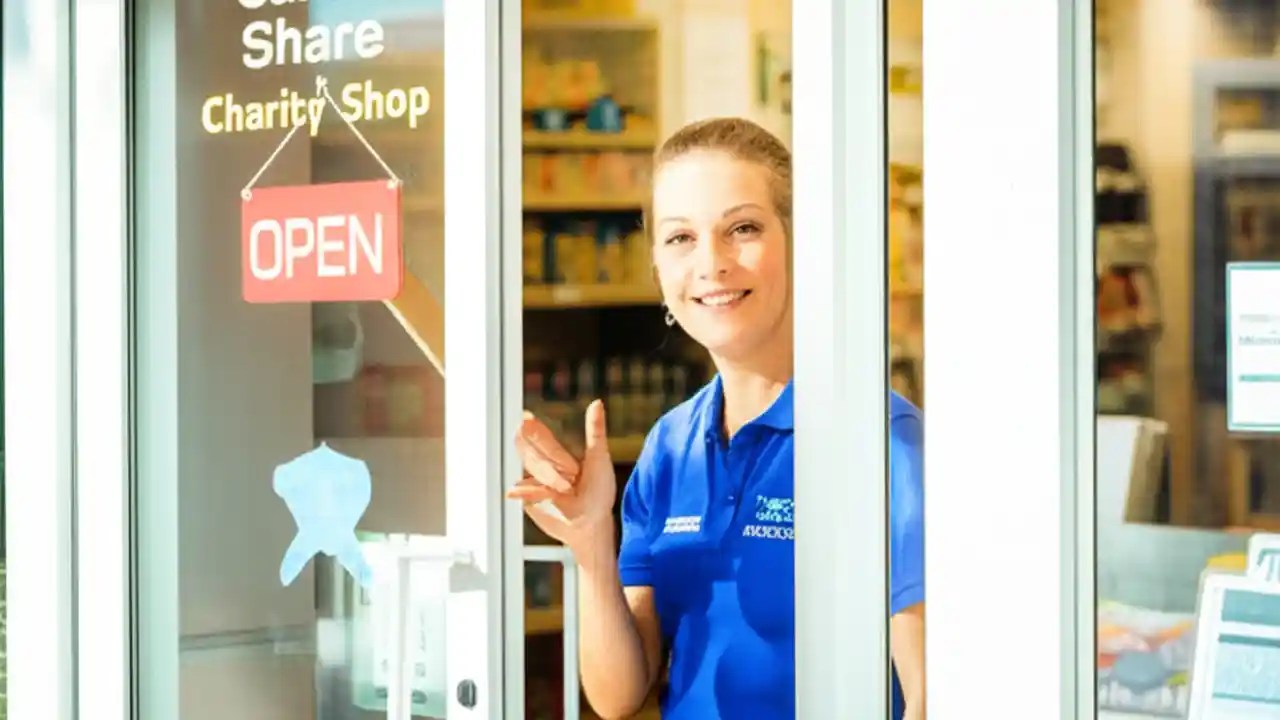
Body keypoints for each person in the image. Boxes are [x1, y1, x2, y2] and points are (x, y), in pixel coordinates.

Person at [508, 117, 926, 720]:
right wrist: (592, 545)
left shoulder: (879, 440)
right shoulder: (670, 446)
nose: (712, 263)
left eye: (743, 228)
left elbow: (930, 695)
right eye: (680, 238)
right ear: (657, 270)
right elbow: (619, 694)